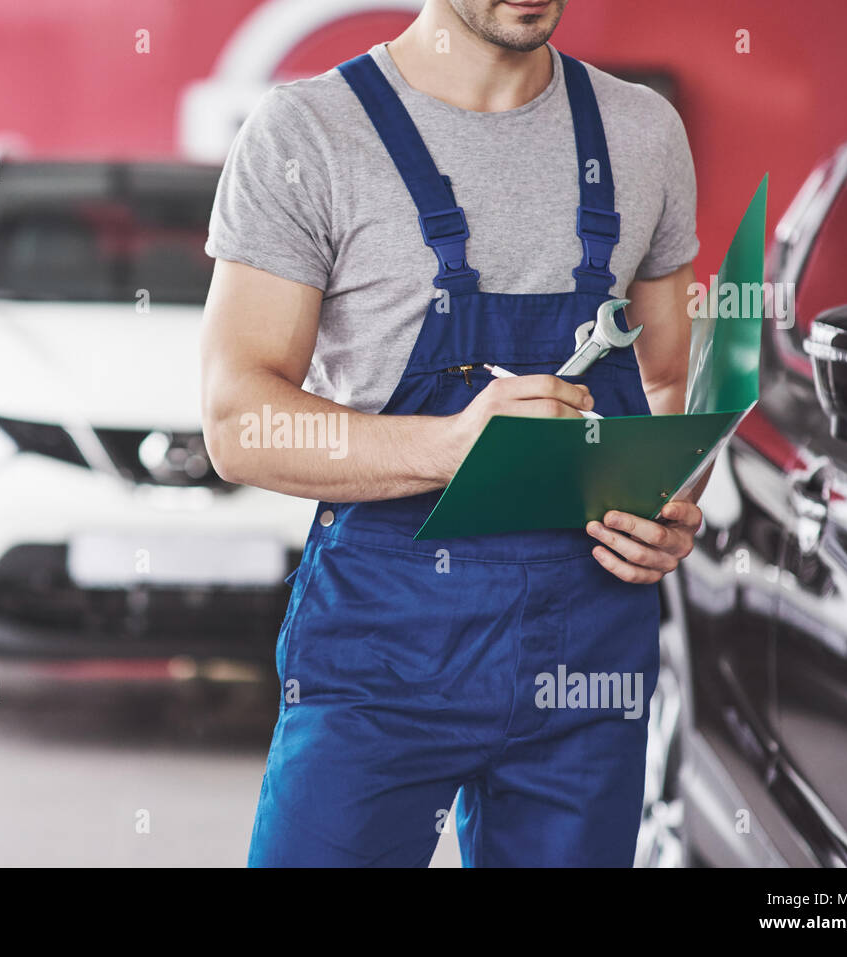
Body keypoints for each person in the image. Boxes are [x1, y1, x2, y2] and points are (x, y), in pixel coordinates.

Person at [201, 0, 704, 867]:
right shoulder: (310, 132)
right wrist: (452, 448)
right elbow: (240, 420)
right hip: (382, 654)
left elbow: (661, 378)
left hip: (588, 658)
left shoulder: (641, 132)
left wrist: (667, 497)